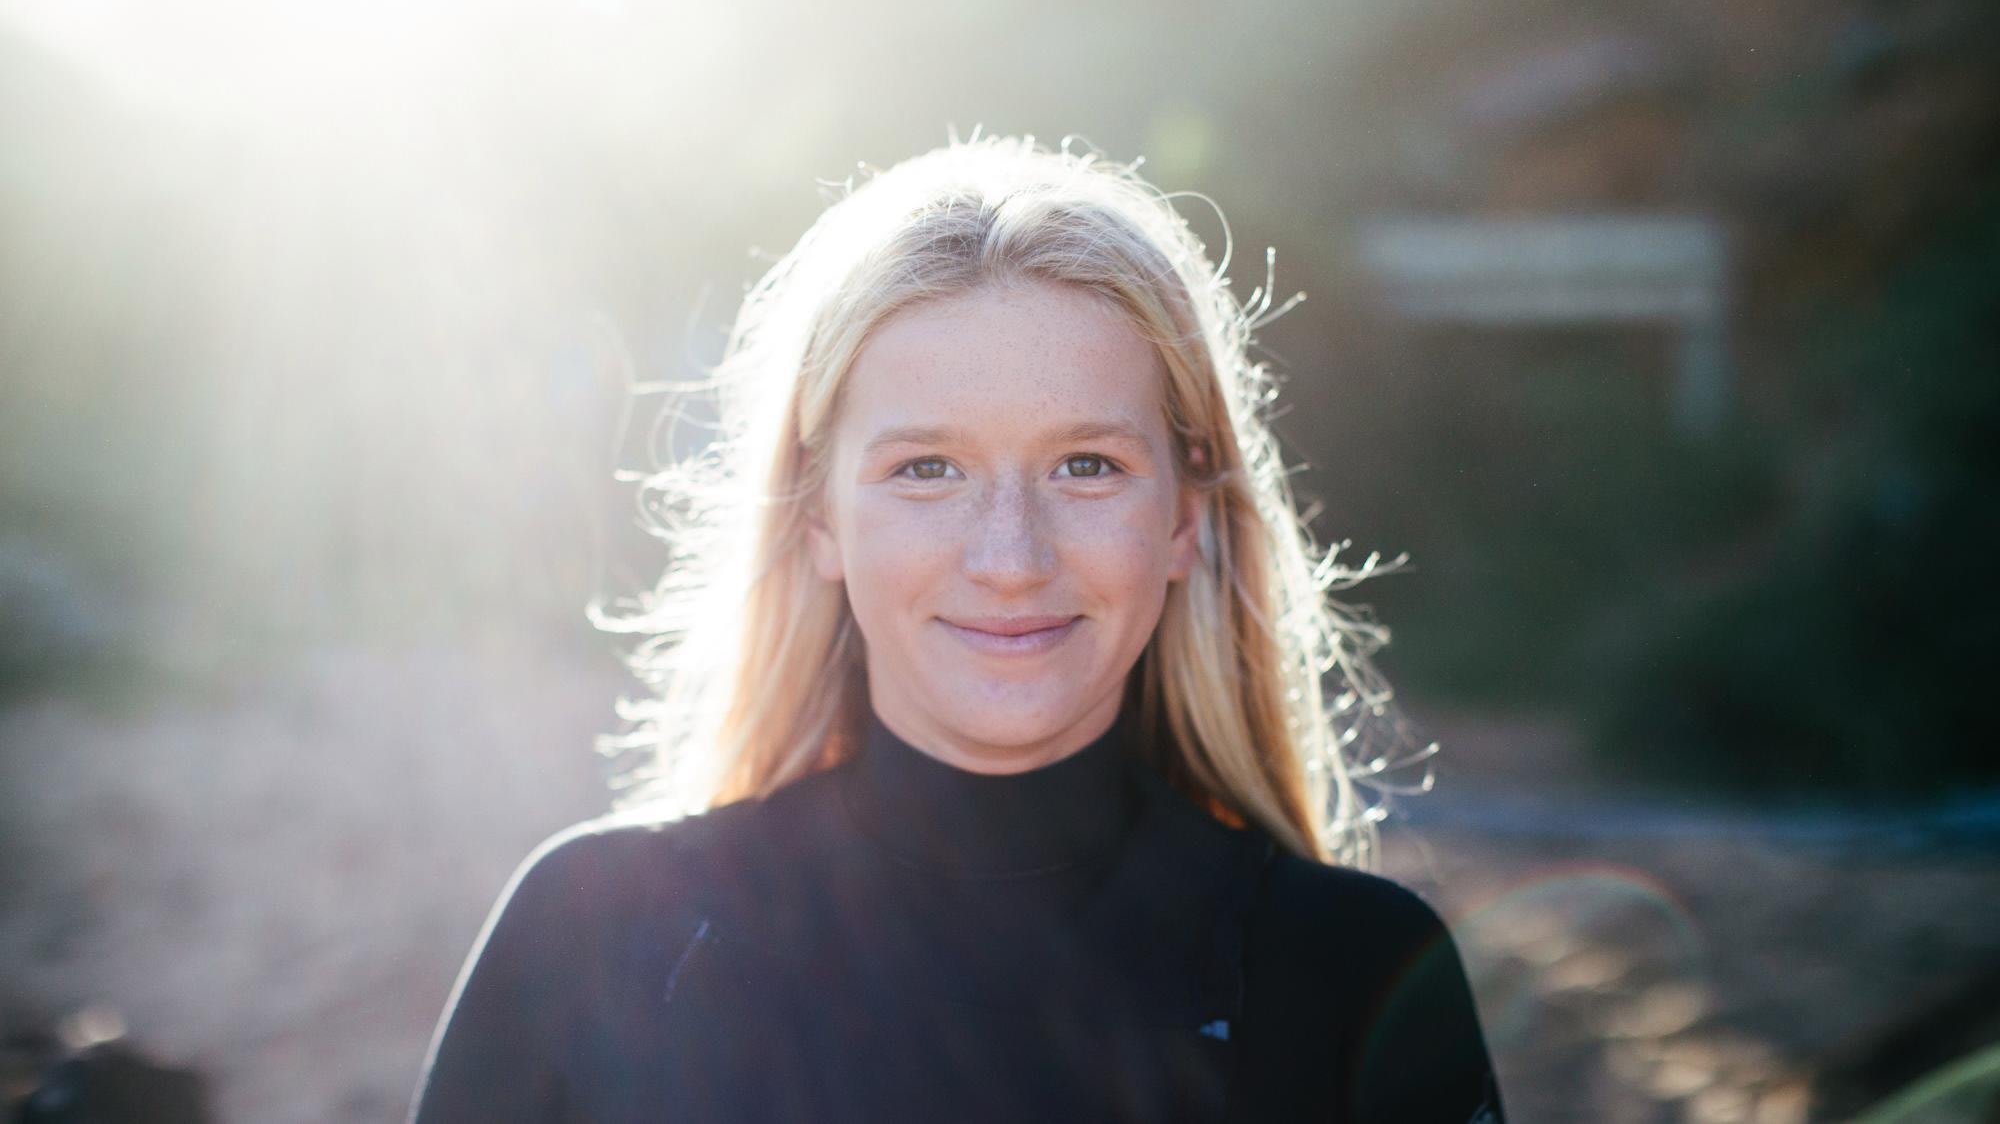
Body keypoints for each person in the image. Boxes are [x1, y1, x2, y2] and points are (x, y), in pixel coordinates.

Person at [407, 136, 1505, 1122]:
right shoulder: (597, 940)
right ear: (819, 517)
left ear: (1182, 517)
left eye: (1087, 466)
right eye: (924, 469)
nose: (1009, 556)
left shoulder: (1360, 973)